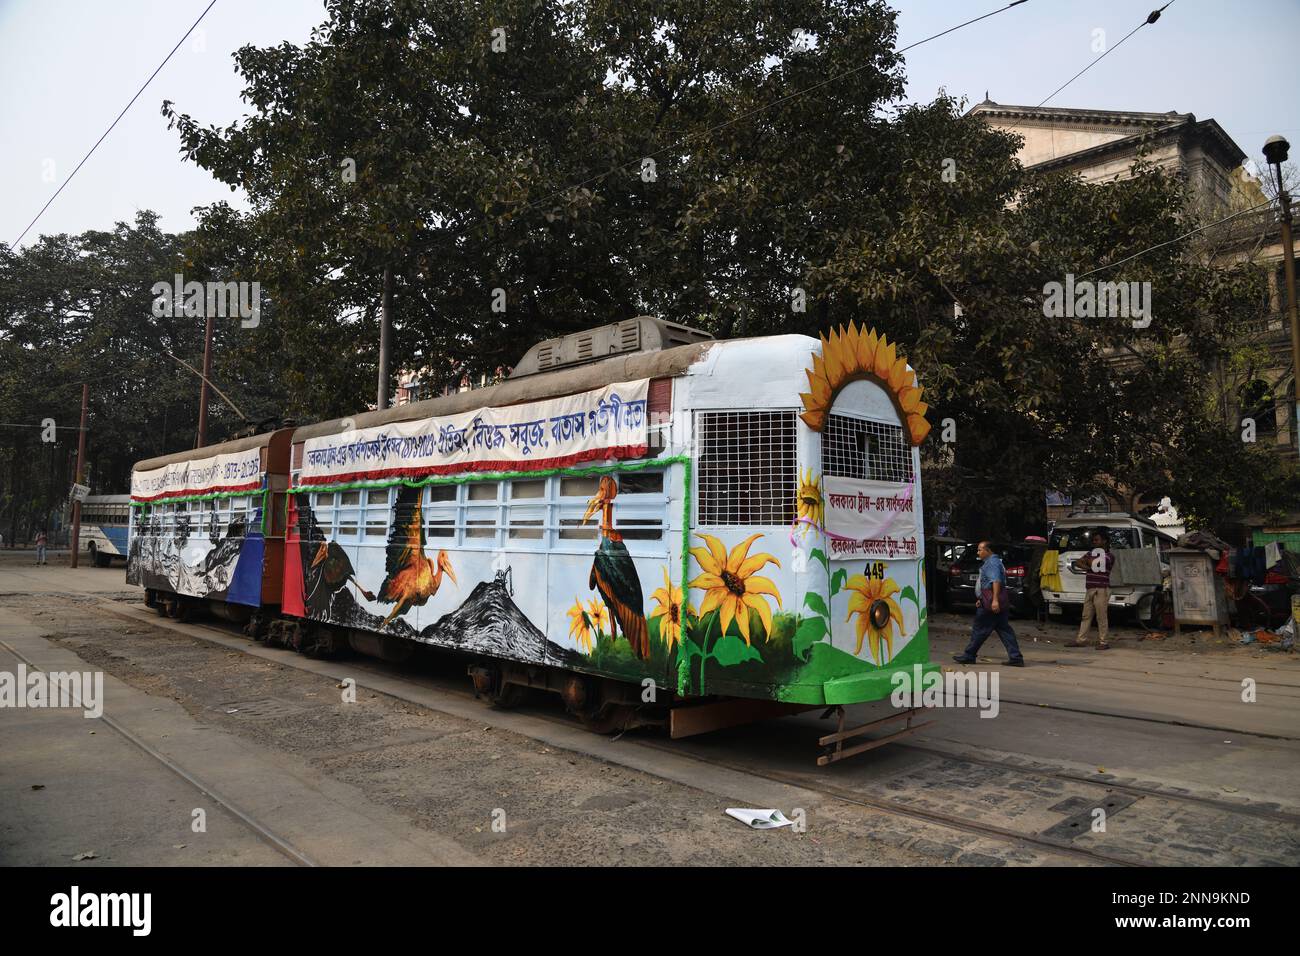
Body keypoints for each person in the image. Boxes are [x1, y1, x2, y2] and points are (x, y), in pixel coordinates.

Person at [953, 540, 1025, 666]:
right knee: (1004, 630)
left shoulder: (992, 563)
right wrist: (981, 598)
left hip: (991, 602)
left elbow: (995, 581)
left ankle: (969, 655)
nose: (978, 552)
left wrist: (994, 600)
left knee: (980, 629)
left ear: (988, 550)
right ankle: (1016, 657)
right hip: (988, 600)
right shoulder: (994, 562)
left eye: (980, 550)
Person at [1068, 530, 1114, 649]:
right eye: (1093, 540)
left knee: (1101, 616)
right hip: (1090, 588)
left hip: (1101, 589)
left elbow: (1090, 563)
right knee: (1086, 615)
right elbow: (1079, 562)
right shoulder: (1093, 554)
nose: (1094, 542)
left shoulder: (1109, 556)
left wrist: (1088, 564)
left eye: (1096, 540)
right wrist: (1090, 565)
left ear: (1104, 541)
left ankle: (1104, 642)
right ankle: (1081, 640)